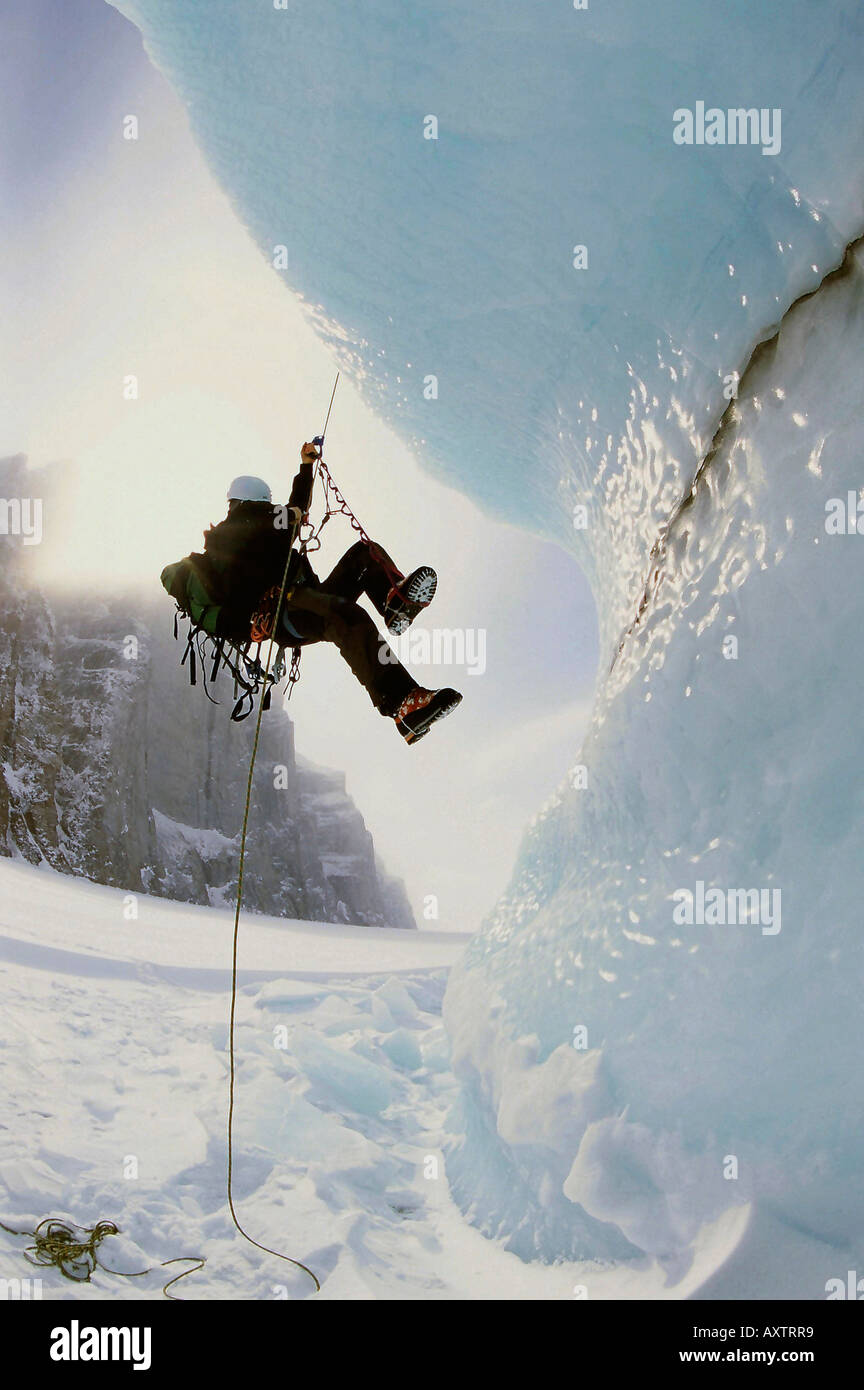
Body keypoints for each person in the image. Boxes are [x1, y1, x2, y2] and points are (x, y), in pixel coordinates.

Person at [193, 443, 462, 744]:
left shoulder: (258, 528)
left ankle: (394, 602)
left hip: (301, 601)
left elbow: (295, 510)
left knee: (364, 555)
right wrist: (299, 482)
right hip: (282, 613)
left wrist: (306, 468)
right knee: (345, 616)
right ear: (253, 504)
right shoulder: (235, 534)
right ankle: (402, 704)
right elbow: (290, 513)